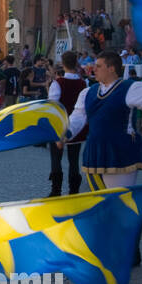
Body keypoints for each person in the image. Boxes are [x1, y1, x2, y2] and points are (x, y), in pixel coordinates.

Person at [60, 49, 142, 264]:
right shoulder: (87, 92)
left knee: (122, 204)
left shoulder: (131, 88)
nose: (93, 69)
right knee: (101, 204)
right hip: (95, 152)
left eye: (98, 66)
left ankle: (130, 252)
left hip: (120, 154)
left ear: (111, 68)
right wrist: (65, 134)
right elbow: (77, 117)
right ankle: (108, 248)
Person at [48, 50, 86, 196]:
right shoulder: (83, 83)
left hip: (61, 124)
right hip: (78, 126)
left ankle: (56, 190)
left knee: (56, 158)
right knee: (74, 160)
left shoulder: (57, 83)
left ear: (62, 64)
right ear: (76, 63)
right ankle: (73, 190)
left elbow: (53, 106)